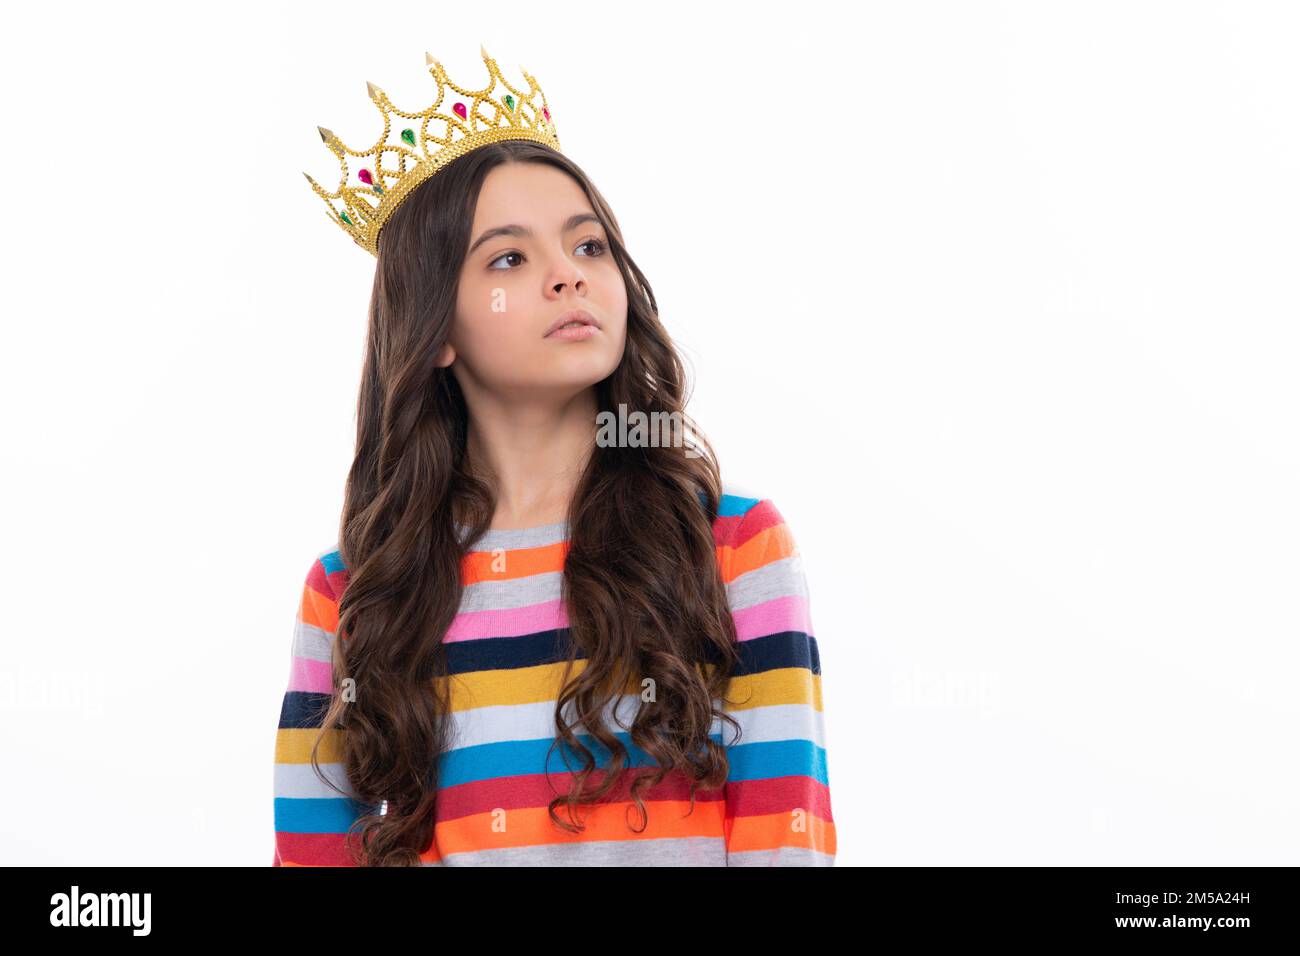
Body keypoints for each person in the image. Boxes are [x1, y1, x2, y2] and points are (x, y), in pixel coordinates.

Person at [273, 47, 835, 866]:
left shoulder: (733, 546)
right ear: (434, 333)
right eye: (509, 258)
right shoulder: (352, 592)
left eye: (589, 246)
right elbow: (313, 856)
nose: (567, 277)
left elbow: (784, 841)